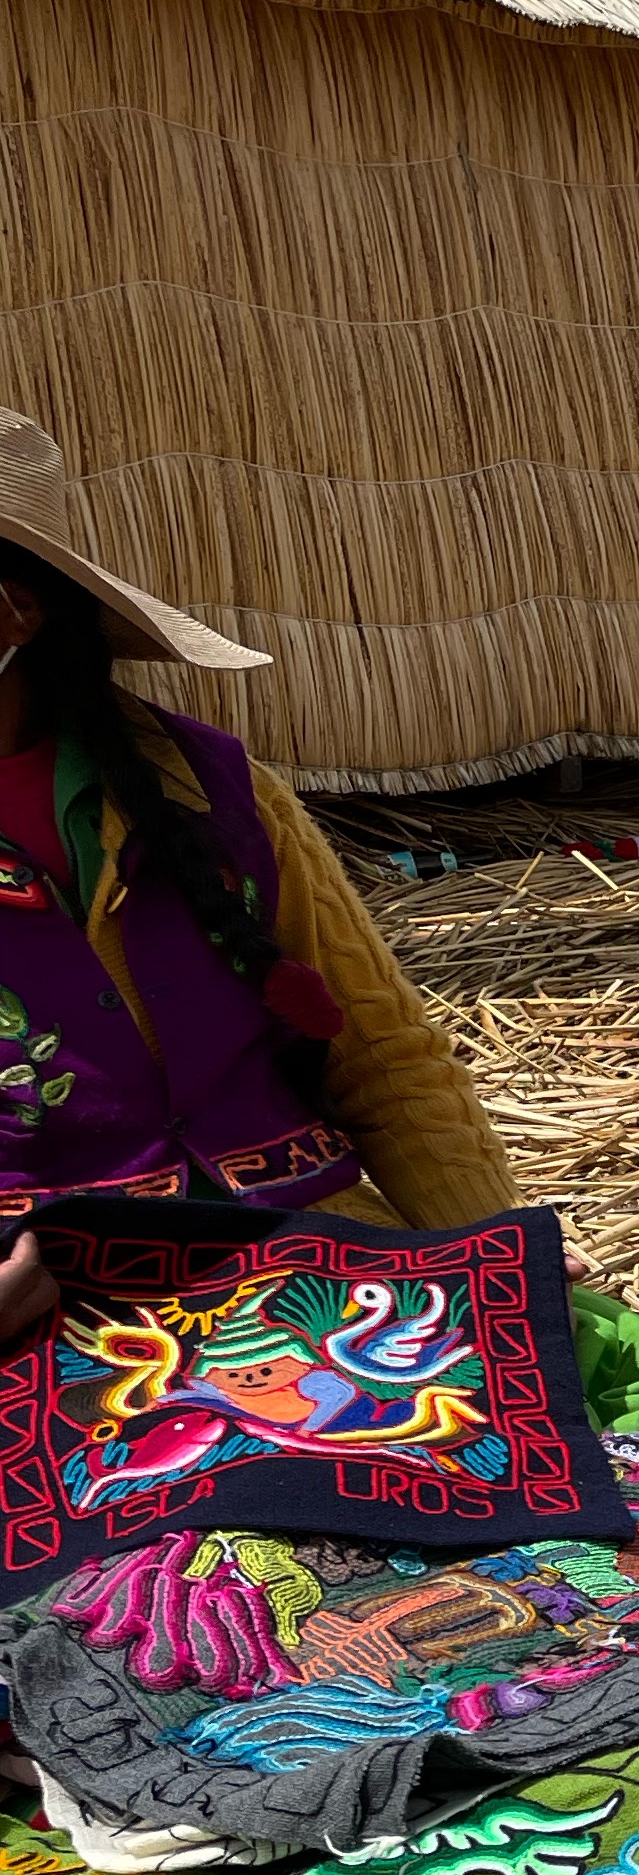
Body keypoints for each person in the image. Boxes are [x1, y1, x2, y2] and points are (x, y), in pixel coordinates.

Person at [0, 412, 521, 1345]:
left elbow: (386, 1058)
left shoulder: (209, 793)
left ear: (15, 612)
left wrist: (487, 1252)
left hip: (329, 1287)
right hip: (46, 1328)